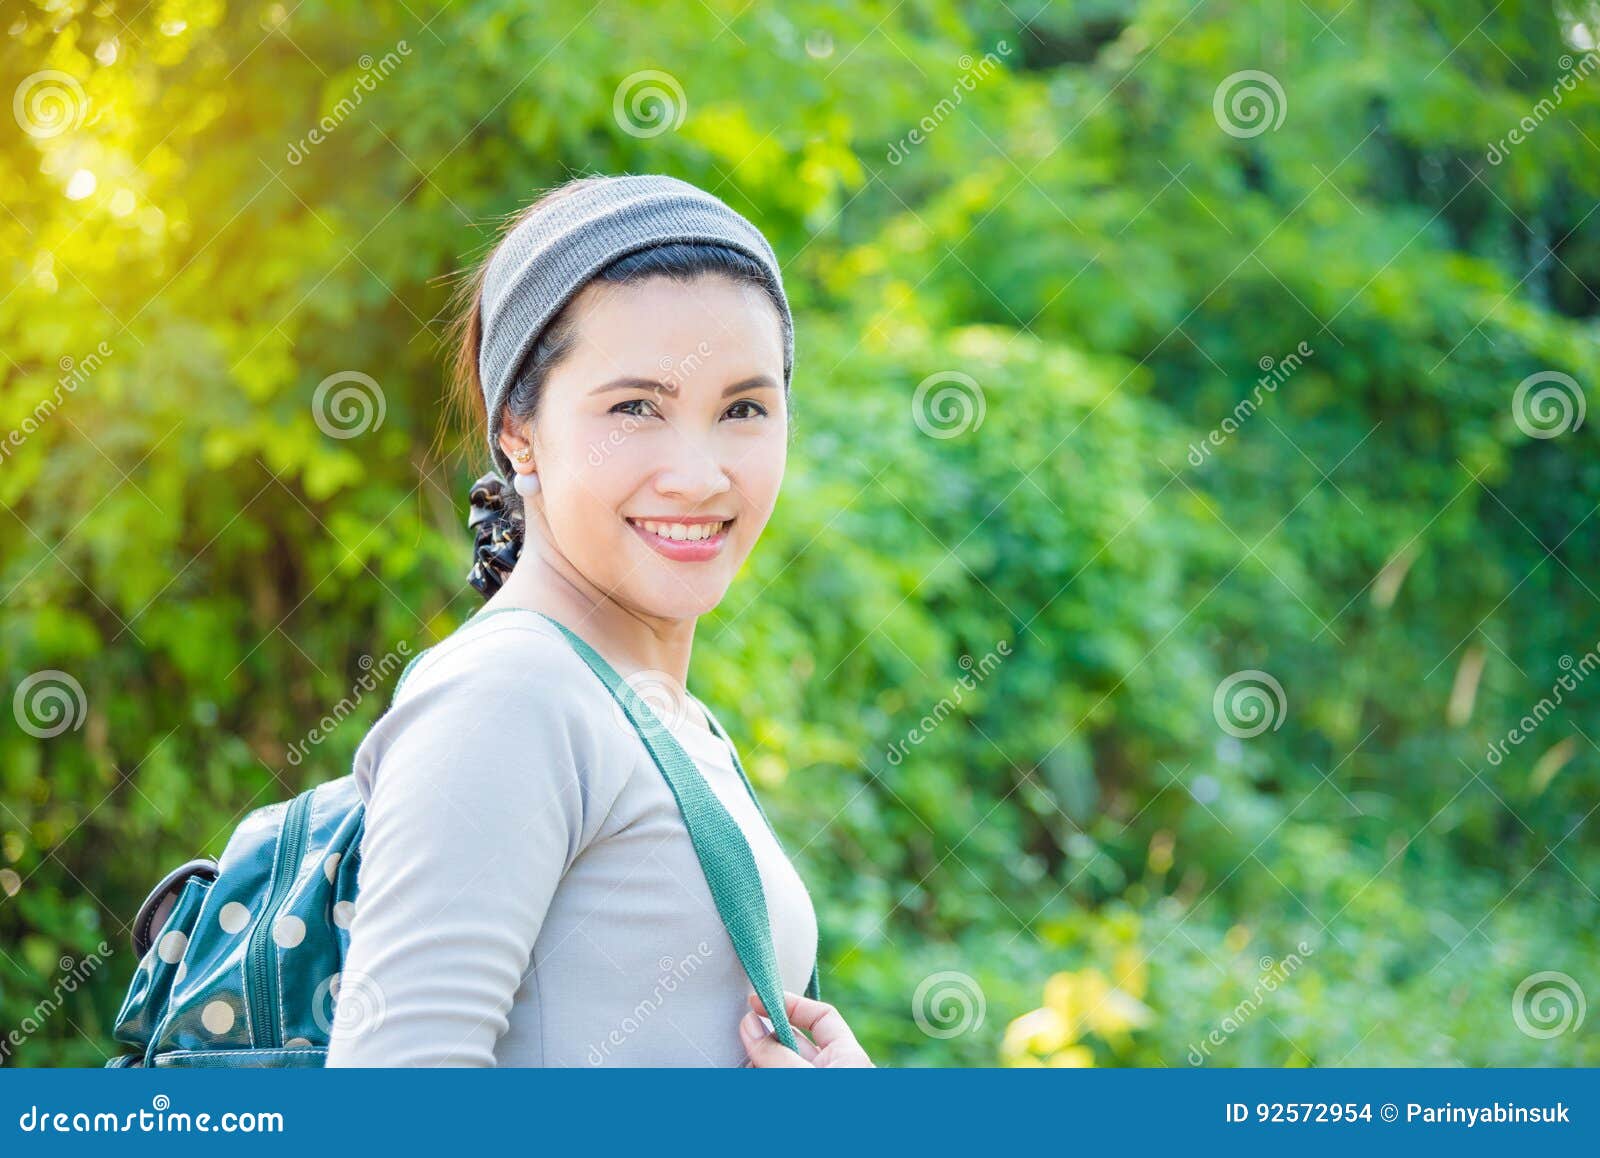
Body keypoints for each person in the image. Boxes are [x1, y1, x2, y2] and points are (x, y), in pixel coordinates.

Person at [325, 173, 873, 1068]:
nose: (698, 475)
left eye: (742, 408)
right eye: (634, 409)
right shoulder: (511, 696)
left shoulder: (660, 716)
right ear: (520, 432)